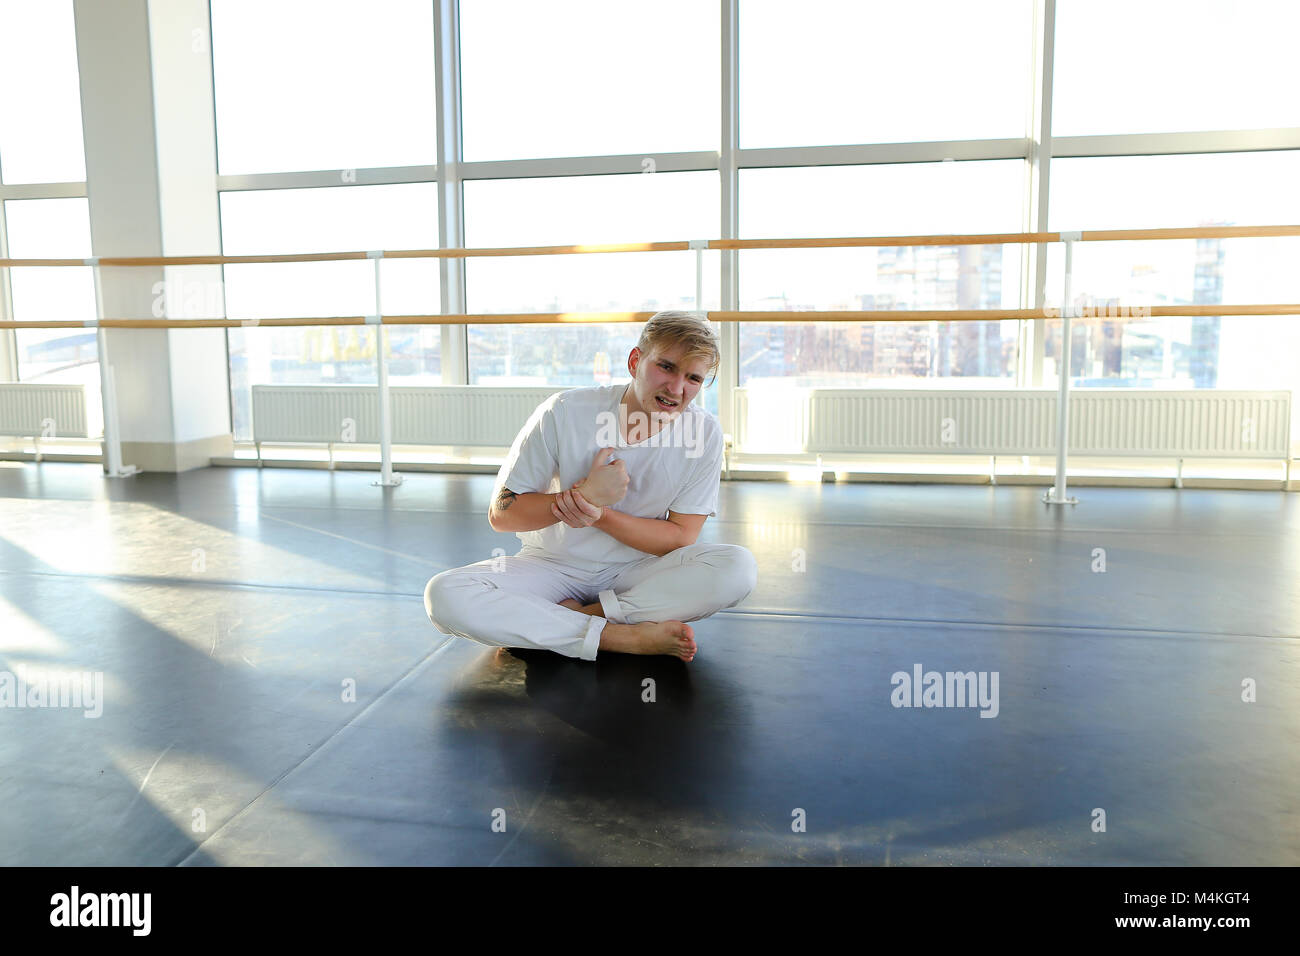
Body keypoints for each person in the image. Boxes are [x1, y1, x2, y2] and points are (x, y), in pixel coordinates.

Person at [424, 311, 757, 662]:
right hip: (551, 565)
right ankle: (619, 637)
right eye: (667, 367)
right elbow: (503, 515)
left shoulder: (704, 433)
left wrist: (597, 513)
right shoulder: (565, 410)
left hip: (636, 573)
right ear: (635, 361)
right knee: (445, 594)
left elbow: (679, 538)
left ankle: (579, 622)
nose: (676, 389)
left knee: (738, 567)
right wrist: (582, 496)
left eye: (693, 378)